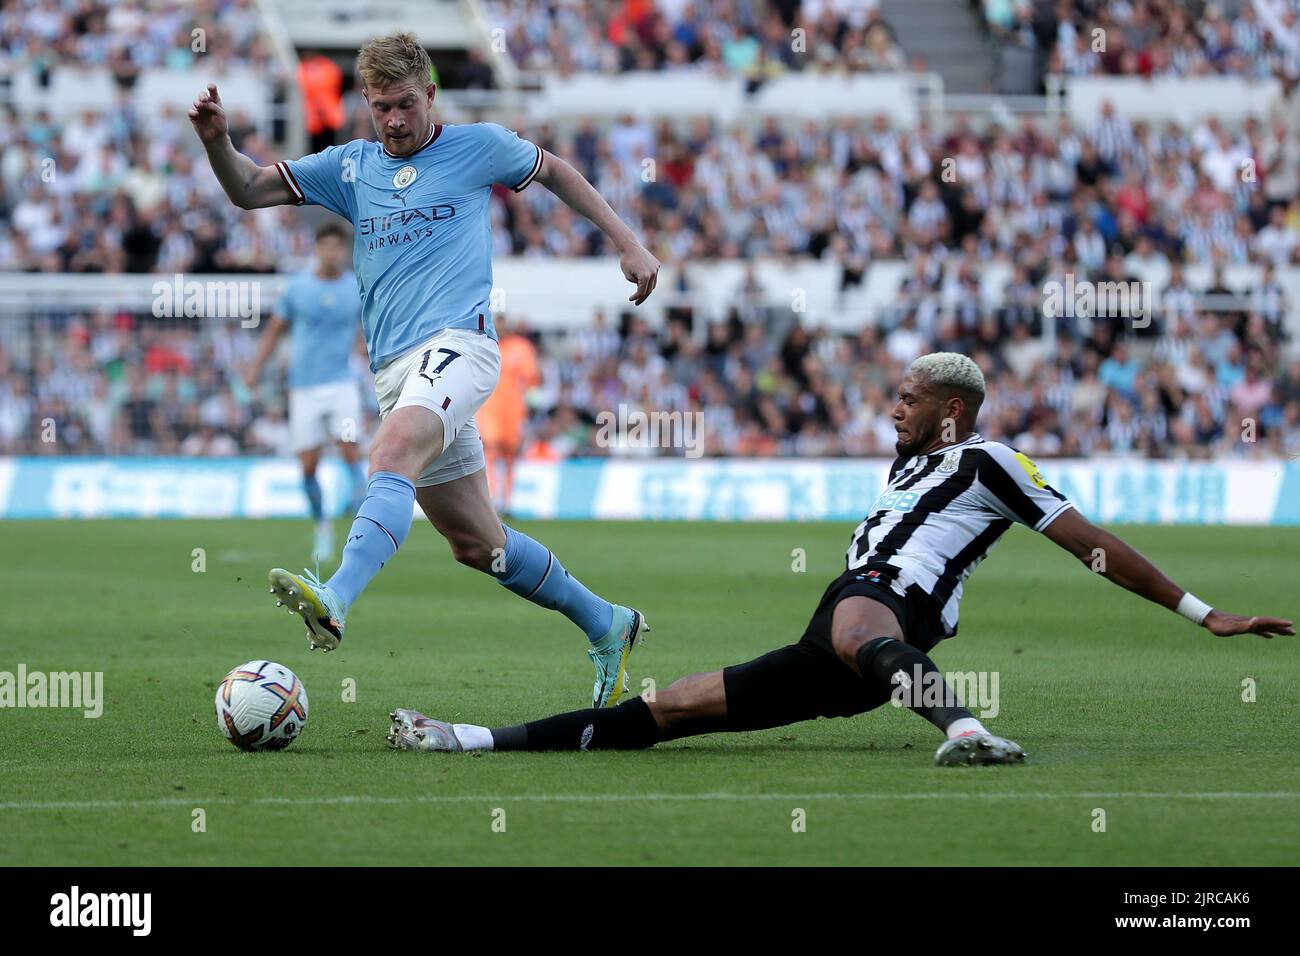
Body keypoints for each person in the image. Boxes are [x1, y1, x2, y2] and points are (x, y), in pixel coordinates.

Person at [386, 353, 1294, 764]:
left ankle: (968, 731)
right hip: (842, 636)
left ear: (953, 408)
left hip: (889, 610)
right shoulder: (912, 463)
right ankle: (471, 739)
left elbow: (1090, 543)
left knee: (862, 615)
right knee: (669, 709)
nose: (894, 408)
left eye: (910, 398)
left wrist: (1200, 610)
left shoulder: (989, 462)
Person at [189, 31, 660, 708]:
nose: (395, 120)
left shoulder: (478, 146)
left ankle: (336, 597)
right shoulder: (350, 168)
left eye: (406, 104)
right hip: (396, 374)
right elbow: (249, 188)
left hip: (460, 347)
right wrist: (215, 142)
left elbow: (555, 170)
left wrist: (628, 241)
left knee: (388, 452)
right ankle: (609, 624)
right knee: (477, 544)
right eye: (381, 107)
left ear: (430, 95)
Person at [244, 222, 367, 561]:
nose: (331, 253)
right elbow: (274, 331)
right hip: (304, 389)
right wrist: (255, 368)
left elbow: (367, 332)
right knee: (309, 466)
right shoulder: (297, 289)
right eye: (325, 247)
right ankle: (323, 528)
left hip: (342, 384)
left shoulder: (355, 289)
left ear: (344, 251)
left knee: (350, 450)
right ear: (316, 250)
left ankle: (366, 532)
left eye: (337, 247)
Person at [477, 315, 539, 515]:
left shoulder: (521, 348)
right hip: (489, 409)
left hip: (514, 412)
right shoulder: (482, 345)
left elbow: (532, 381)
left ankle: (508, 501)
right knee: (491, 451)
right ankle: (493, 500)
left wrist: (530, 409)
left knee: (511, 454)